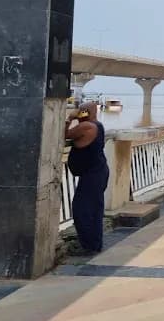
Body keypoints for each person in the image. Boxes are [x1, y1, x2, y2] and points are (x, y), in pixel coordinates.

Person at [65, 101, 109, 254]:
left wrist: (69, 119)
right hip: (98, 171)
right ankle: (94, 244)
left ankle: (89, 246)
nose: (80, 112)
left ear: (87, 112)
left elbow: (66, 134)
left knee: (81, 209)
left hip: (93, 174)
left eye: (82, 111)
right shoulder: (98, 125)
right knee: (95, 209)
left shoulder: (86, 126)